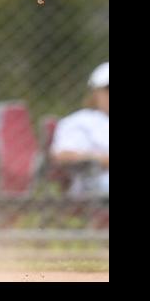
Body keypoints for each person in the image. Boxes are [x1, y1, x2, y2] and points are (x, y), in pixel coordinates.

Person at [49, 61, 109, 199]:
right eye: (108, 89)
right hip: (94, 186)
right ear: (95, 93)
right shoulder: (81, 121)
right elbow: (62, 155)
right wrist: (103, 160)